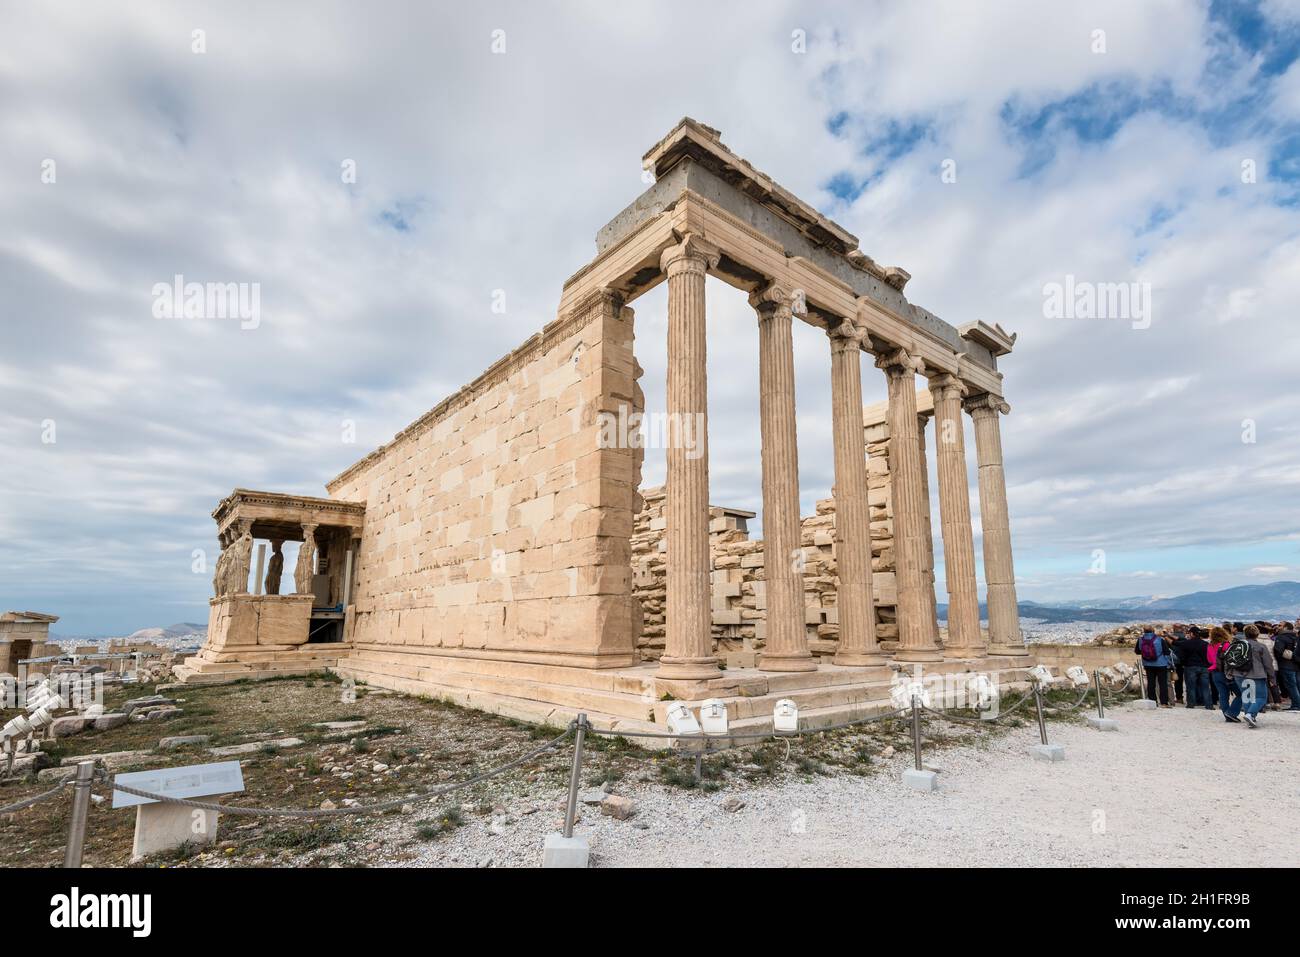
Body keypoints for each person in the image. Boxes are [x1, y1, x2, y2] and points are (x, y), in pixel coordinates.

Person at [1224, 624, 1277, 728]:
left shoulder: (1238, 644)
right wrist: (1272, 678)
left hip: (1238, 674)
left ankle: (1250, 717)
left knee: (1246, 696)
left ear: (1245, 634)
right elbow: (1268, 664)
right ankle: (1250, 714)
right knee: (1261, 697)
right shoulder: (1261, 646)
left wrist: (1228, 673)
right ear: (1257, 634)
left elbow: (1229, 659)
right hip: (1256, 674)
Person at [1134, 624, 1172, 706]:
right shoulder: (1159, 639)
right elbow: (1167, 652)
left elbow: (1137, 651)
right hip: (1161, 664)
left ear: (1144, 631)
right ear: (1153, 631)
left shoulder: (1140, 640)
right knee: (1162, 683)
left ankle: (1152, 701)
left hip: (1148, 664)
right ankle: (1164, 702)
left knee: (1151, 683)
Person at [1174, 626, 1211, 709]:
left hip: (1190, 666)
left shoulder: (1187, 643)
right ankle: (1209, 705)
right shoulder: (1206, 644)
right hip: (1204, 667)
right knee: (1205, 687)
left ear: (1191, 634)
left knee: (1191, 686)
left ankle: (1191, 704)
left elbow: (1177, 646)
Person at [1207, 626, 1237, 719]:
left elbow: (1209, 660)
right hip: (1226, 672)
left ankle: (1227, 715)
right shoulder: (1226, 644)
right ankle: (1231, 712)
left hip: (1215, 672)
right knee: (1240, 694)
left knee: (1223, 695)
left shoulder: (1210, 645)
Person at [1272, 622, 1300, 711]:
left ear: (1286, 628)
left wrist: (1290, 656)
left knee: (1291, 686)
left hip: (1286, 665)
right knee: (1297, 685)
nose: (1278, 627)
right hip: (1296, 665)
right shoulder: (1296, 637)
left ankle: (1296, 705)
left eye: (1280, 625)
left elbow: (1278, 651)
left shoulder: (1281, 637)